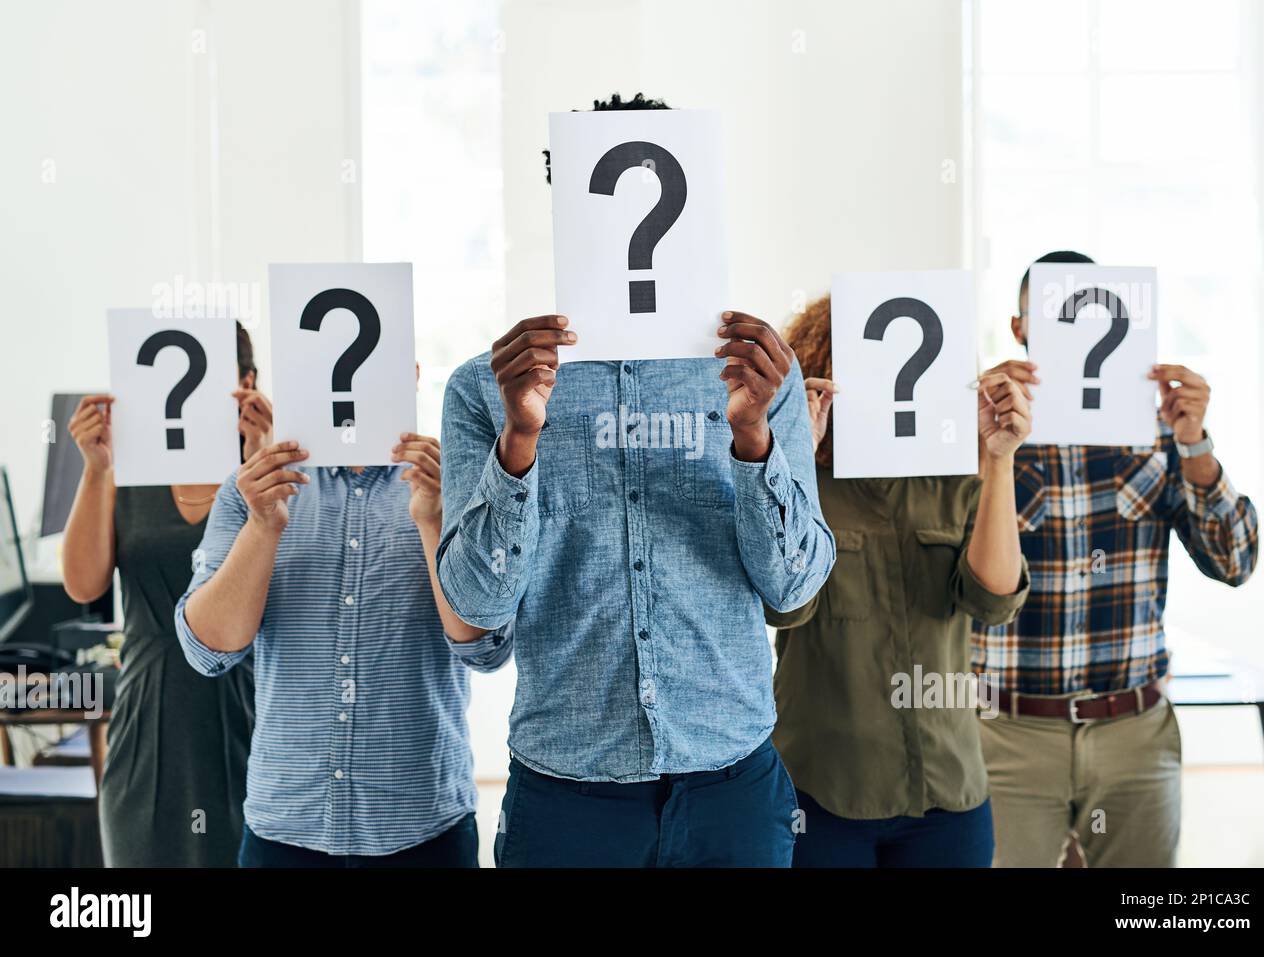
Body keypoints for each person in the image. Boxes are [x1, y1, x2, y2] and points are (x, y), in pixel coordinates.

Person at [437, 93, 836, 868]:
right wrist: (520, 441)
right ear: (568, 206)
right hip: (566, 796)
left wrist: (753, 438)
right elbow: (477, 607)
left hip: (734, 790)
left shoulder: (760, 375)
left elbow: (792, 588)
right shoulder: (486, 388)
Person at [973, 250, 1260, 867]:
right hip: (1007, 733)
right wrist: (981, 449)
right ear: (1019, 329)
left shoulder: (1160, 431)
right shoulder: (981, 431)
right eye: (1047, 323)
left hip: (1134, 730)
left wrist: (1196, 445)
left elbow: (1235, 560)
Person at [174, 365, 508, 867]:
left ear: (410, 373)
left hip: (425, 829)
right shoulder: (252, 489)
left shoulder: (458, 483)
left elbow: (486, 648)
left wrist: (434, 520)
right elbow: (208, 652)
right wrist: (263, 528)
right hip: (283, 831)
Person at [765, 295, 1031, 867]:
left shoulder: (955, 477)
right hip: (823, 791)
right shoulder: (805, 481)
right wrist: (796, 460)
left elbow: (993, 600)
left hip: (947, 791)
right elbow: (785, 607)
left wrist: (999, 460)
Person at [63, 321, 270, 867]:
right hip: (148, 722)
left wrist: (260, 455)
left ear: (246, 381)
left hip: (250, 708)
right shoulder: (129, 470)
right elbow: (83, 584)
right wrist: (96, 468)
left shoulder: (264, 471)